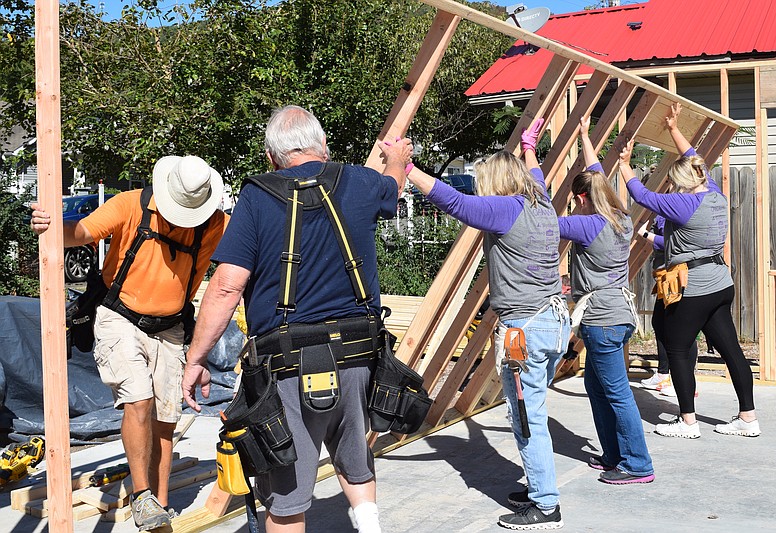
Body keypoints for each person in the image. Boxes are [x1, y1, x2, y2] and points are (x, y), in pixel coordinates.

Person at [181, 105, 412, 533]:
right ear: (323, 145)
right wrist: (397, 158)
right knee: (355, 458)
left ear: (272, 157)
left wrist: (196, 359)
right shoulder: (359, 181)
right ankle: (370, 527)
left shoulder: (257, 196)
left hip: (287, 368)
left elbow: (227, 287)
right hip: (358, 358)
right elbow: (394, 187)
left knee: (286, 492)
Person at [30, 155, 228, 530]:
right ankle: (142, 496)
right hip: (120, 317)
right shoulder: (130, 205)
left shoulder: (215, 223)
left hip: (171, 328)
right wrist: (52, 225)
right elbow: (81, 232)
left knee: (166, 419)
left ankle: (160, 506)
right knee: (138, 400)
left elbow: (250, 253)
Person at [404, 118, 570, 530]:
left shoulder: (506, 208)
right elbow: (536, 173)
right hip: (553, 323)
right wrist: (529, 146)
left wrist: (407, 168)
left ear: (495, 182)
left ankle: (546, 505)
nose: (480, 189)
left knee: (527, 417)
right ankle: (539, 486)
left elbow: (457, 204)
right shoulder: (541, 201)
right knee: (532, 409)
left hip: (524, 329)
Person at [619, 103, 760, 439]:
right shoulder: (714, 194)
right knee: (732, 352)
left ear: (681, 182)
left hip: (693, 287)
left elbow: (640, 194)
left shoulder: (683, 204)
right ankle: (748, 418)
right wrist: (673, 129)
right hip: (720, 283)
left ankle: (687, 422)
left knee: (679, 350)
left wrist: (624, 164)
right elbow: (695, 158)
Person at [543, 117, 654, 485]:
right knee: (596, 386)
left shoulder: (585, 225)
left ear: (580, 199)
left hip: (602, 321)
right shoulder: (620, 218)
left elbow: (542, 222)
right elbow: (597, 177)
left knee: (617, 393)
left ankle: (637, 464)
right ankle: (613, 454)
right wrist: (584, 137)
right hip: (617, 315)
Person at [638, 217, 699, 398]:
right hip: (664, 276)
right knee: (659, 323)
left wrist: (645, 234)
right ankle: (663, 375)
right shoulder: (659, 213)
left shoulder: (672, 212)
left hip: (675, 275)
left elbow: (670, 242)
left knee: (682, 331)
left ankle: (688, 384)